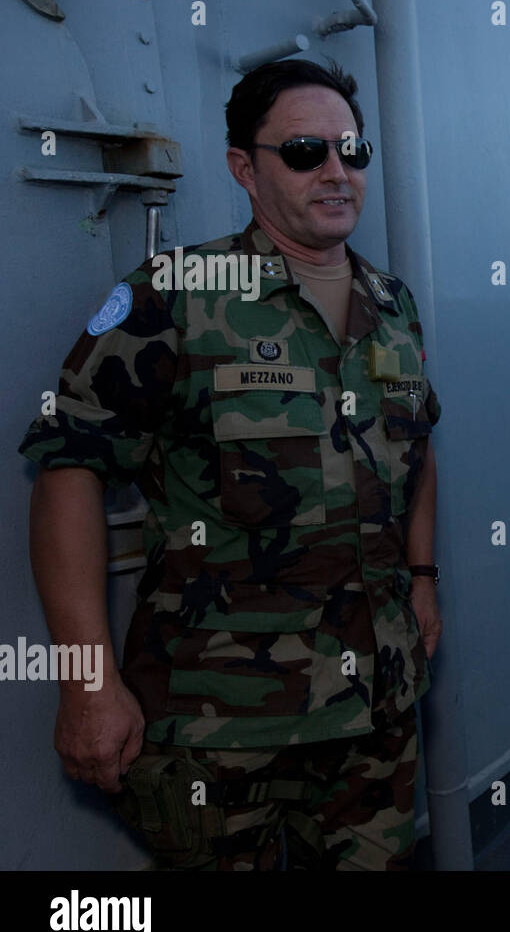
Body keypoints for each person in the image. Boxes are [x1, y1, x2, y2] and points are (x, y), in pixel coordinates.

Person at [19, 58, 442, 870]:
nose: (336, 172)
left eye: (353, 152)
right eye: (306, 151)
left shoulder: (391, 305)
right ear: (244, 168)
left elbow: (418, 448)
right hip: (221, 720)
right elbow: (69, 471)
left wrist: (424, 579)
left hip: (375, 705)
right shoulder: (173, 296)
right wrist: (84, 682)